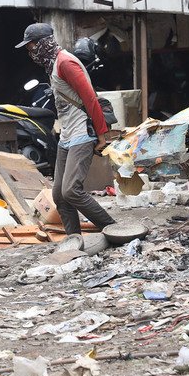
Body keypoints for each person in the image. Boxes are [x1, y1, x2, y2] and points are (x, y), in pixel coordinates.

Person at [16, 23, 116, 240]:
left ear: (43, 44)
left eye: (31, 46)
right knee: (59, 195)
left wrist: (101, 134)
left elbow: (90, 98)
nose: (29, 51)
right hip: (67, 134)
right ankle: (73, 241)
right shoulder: (52, 64)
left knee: (71, 190)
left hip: (82, 131)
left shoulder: (66, 63)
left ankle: (113, 228)